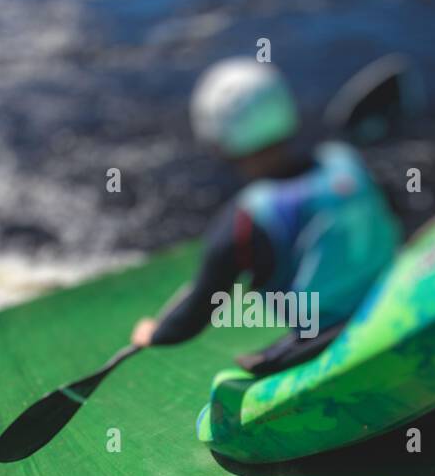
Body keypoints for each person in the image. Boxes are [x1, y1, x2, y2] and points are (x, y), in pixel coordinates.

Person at [130, 58, 401, 374]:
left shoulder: (244, 219)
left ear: (217, 141)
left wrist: (157, 333)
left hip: (327, 338)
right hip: (393, 297)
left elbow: (197, 310)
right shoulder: (344, 159)